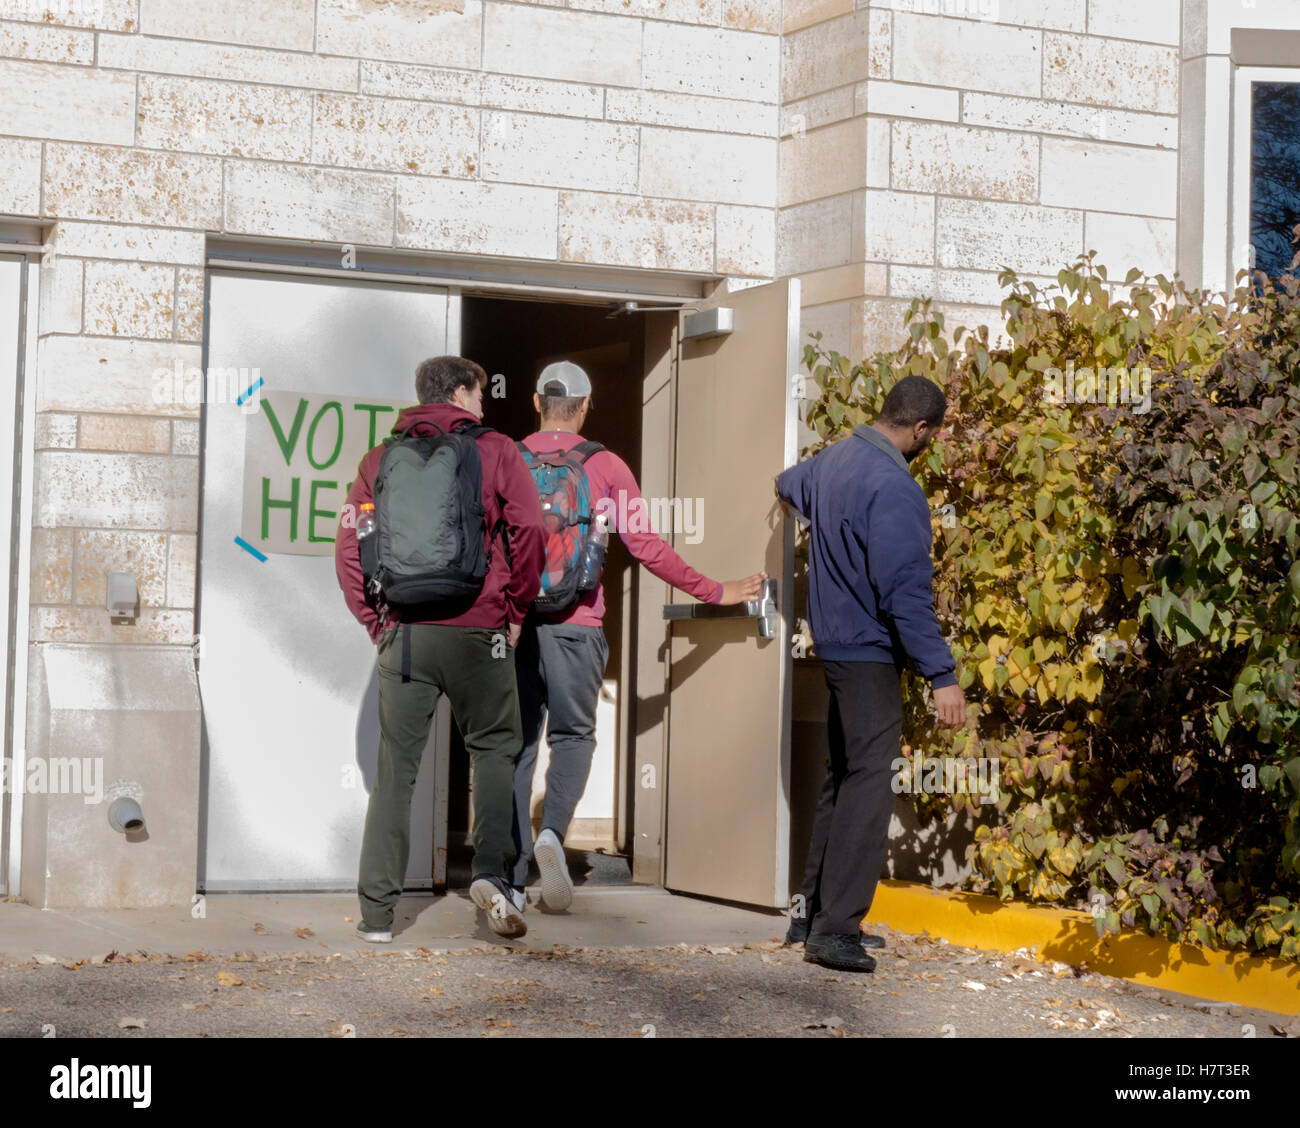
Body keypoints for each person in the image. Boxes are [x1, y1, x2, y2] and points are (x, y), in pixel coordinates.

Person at [510, 360, 767, 911]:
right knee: (573, 736)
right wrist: (715, 590)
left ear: (535, 401)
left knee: (518, 741)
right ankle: (552, 833)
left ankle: (510, 870)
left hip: (516, 624)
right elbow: (647, 548)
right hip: (575, 625)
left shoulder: (506, 459)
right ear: (585, 405)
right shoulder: (604, 466)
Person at [335, 356, 545, 943]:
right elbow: (529, 529)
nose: (485, 405)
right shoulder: (498, 450)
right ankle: (493, 880)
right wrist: (516, 610)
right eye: (480, 394)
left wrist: (377, 622)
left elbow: (351, 546)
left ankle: (377, 916)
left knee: (395, 774)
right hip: (481, 633)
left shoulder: (378, 460)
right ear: (459, 393)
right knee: (496, 752)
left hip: (405, 639)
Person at [776, 374, 967, 973]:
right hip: (866, 651)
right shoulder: (894, 486)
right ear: (920, 429)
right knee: (869, 781)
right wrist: (942, 675)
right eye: (931, 435)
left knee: (843, 778)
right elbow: (906, 591)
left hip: (831, 644)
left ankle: (810, 915)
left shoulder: (831, 461)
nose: (929, 444)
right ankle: (835, 931)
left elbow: (784, 487)